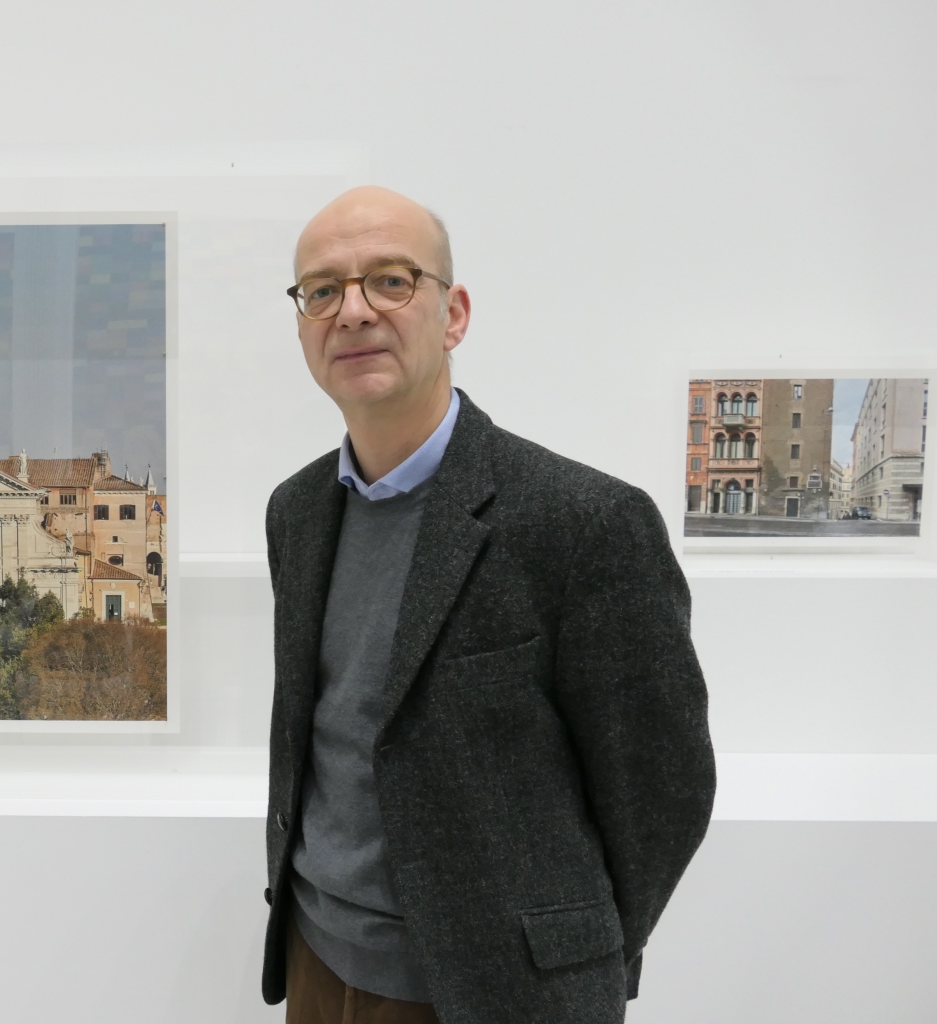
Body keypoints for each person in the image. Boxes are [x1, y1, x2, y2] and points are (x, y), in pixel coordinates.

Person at [261, 186, 715, 1024]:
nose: (352, 311)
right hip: (315, 962)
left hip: (499, 993)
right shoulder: (296, 512)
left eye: (390, 280)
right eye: (322, 290)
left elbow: (663, 789)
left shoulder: (583, 521)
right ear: (301, 325)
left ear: (454, 314)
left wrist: (567, 958)